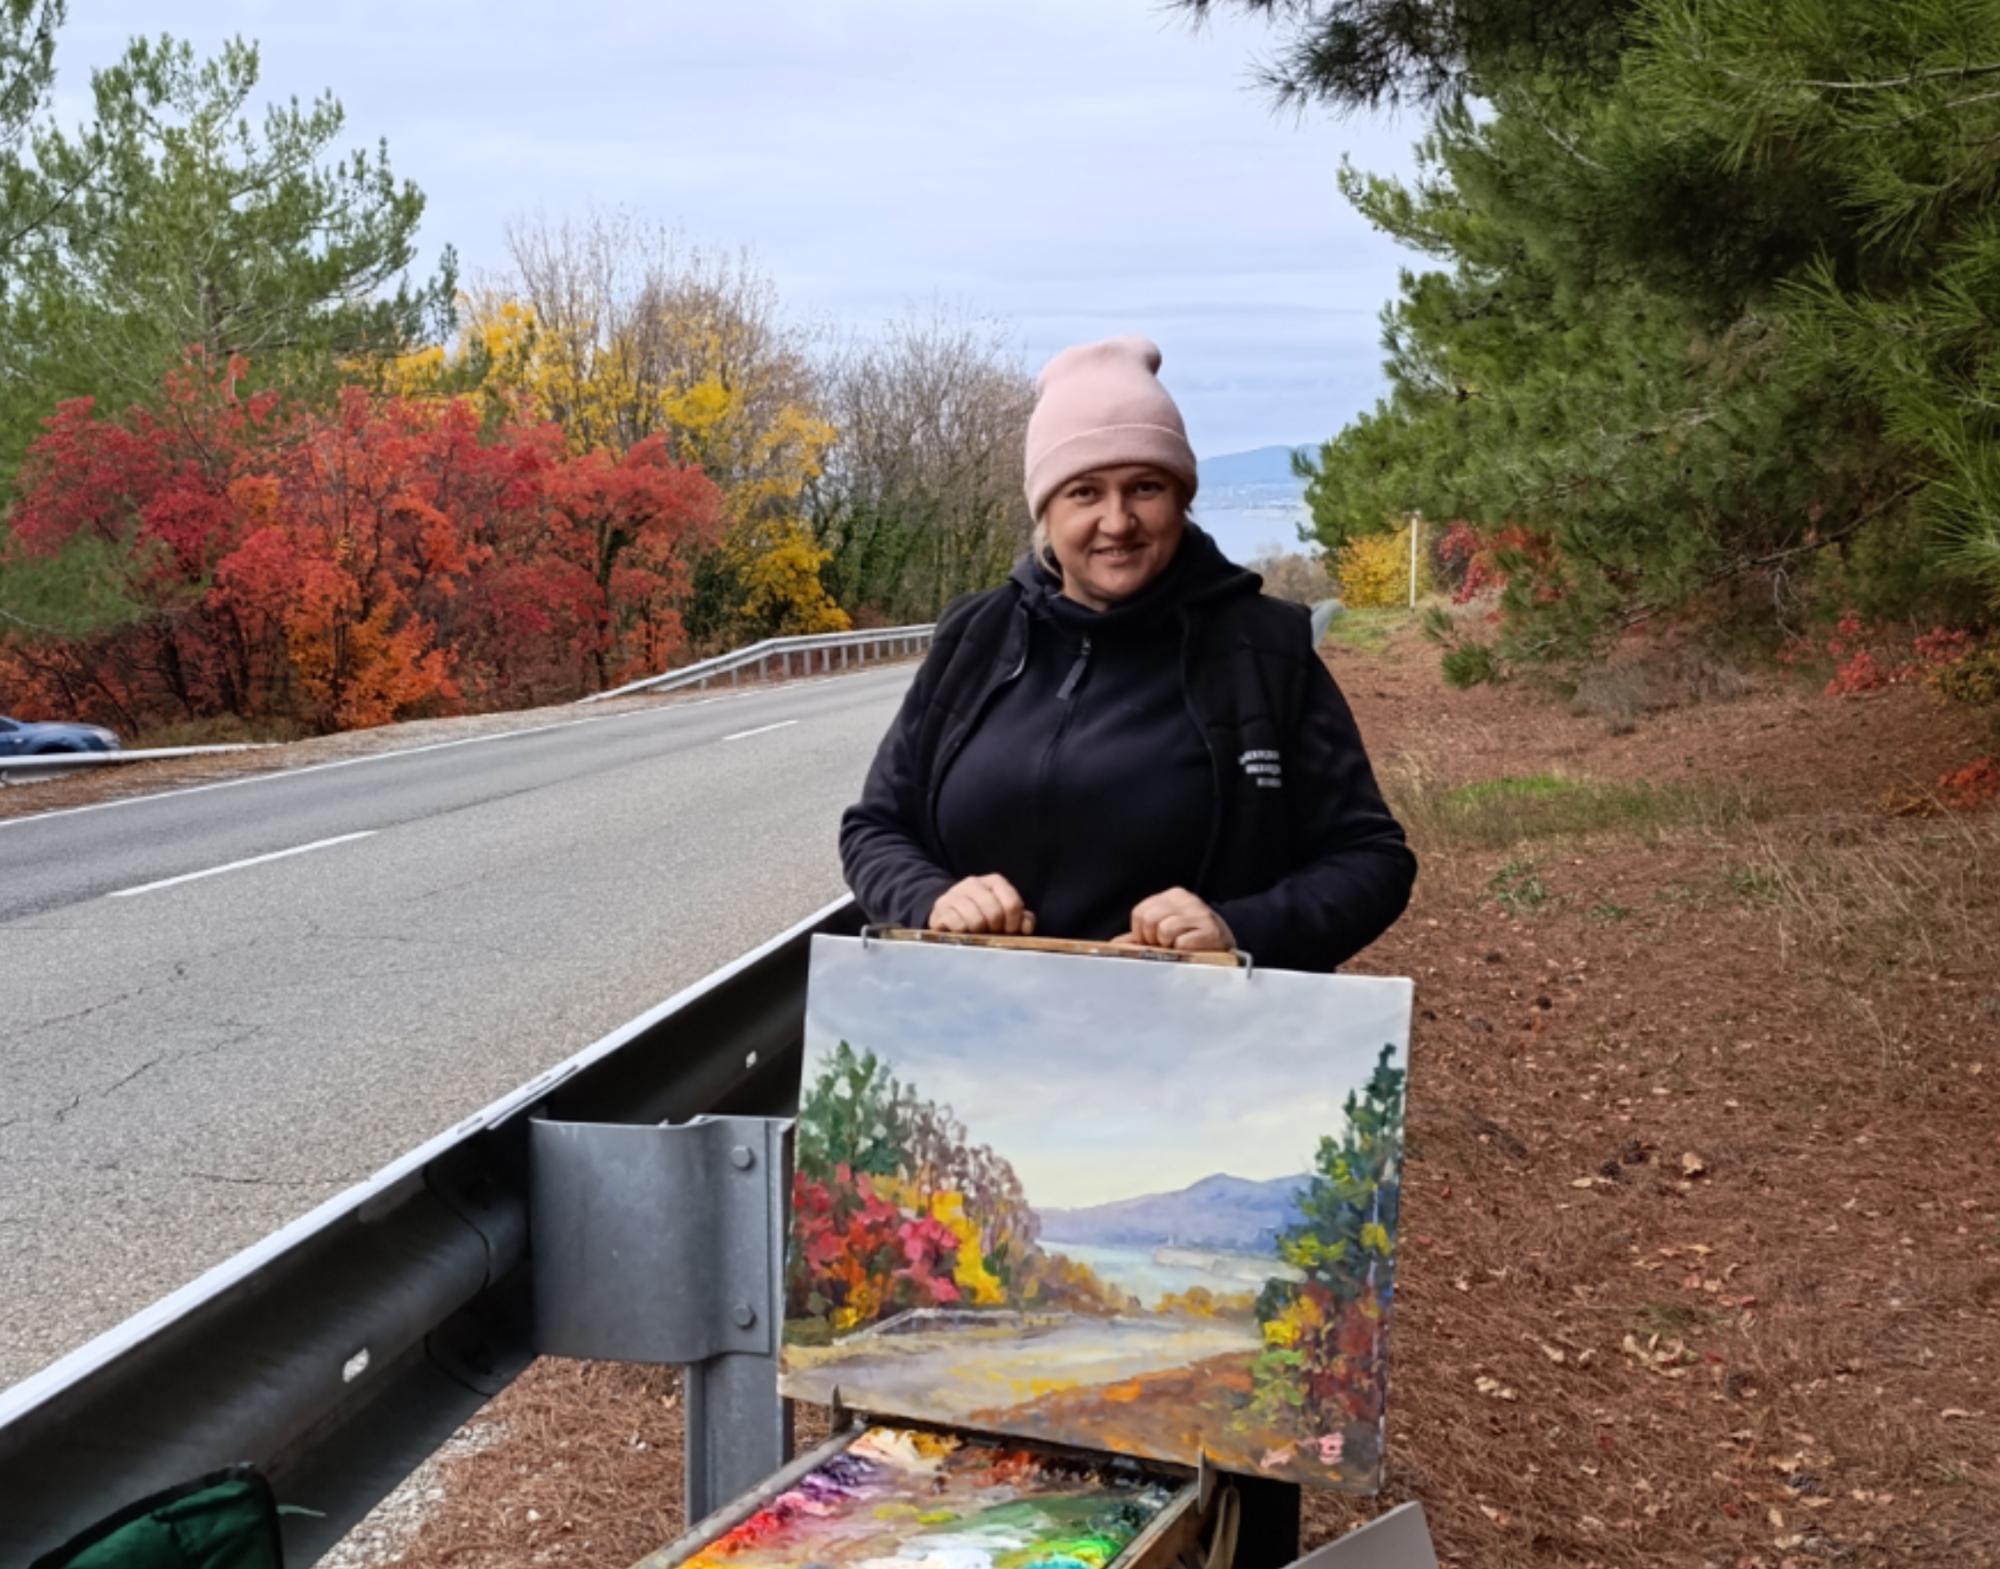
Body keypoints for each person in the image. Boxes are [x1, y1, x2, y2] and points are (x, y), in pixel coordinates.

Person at [839, 334, 1415, 974]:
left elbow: (1372, 859)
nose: (1117, 522)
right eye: (1084, 492)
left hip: (1195, 1051)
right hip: (982, 1041)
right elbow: (875, 829)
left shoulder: (1265, 649)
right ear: (1046, 511)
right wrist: (932, 901)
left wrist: (1237, 929)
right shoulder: (976, 636)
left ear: (1182, 500)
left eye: (1145, 487)